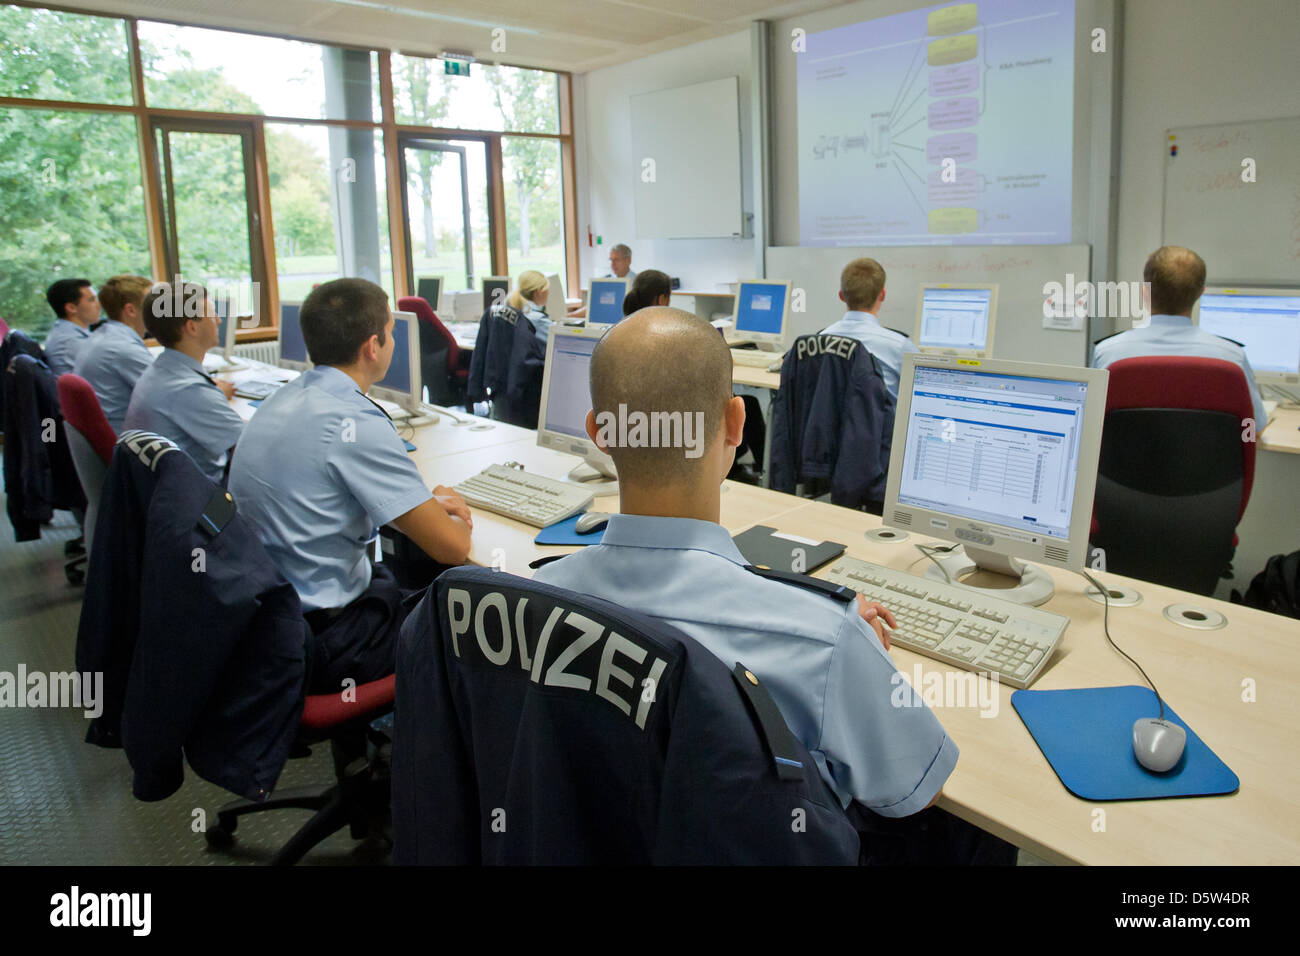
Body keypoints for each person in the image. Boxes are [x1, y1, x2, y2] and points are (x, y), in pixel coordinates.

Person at [533, 307, 956, 824]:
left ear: (598, 432)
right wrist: (834, 637)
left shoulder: (536, 598)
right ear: (737, 422)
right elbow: (919, 788)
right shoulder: (822, 642)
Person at [228, 278, 472, 693]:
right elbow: (452, 548)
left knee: (404, 571)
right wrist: (458, 517)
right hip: (329, 637)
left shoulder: (281, 400)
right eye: (392, 334)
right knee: (472, 627)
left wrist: (416, 503)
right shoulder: (355, 421)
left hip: (267, 619)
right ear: (372, 347)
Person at [1092, 245, 1267, 426]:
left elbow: (1092, 423)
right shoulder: (1232, 357)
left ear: (1144, 292)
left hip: (1125, 455)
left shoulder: (1107, 353)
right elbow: (1256, 426)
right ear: (1201, 293)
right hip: (1205, 455)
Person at [122, 282, 243, 485]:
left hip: (163, 491)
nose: (219, 321)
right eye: (212, 315)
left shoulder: (161, 371)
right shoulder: (189, 390)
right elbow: (249, 445)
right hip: (202, 499)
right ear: (192, 327)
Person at [820, 257, 917, 400]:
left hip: (826, 422)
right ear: (882, 295)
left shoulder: (819, 341)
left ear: (841, 296)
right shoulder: (899, 347)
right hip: (880, 422)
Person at [72, 275, 154, 434]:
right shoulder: (123, 348)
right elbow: (171, 396)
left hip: (111, 435)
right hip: (129, 442)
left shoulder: (102, 335)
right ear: (130, 310)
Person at [43, 278, 99, 376]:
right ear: (71, 308)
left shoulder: (65, 332)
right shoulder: (70, 342)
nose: (98, 305)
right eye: (92, 300)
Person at [505, 270, 553, 344]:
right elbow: (559, 344)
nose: (548, 293)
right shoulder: (539, 319)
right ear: (539, 291)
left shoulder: (508, 311)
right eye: (547, 289)